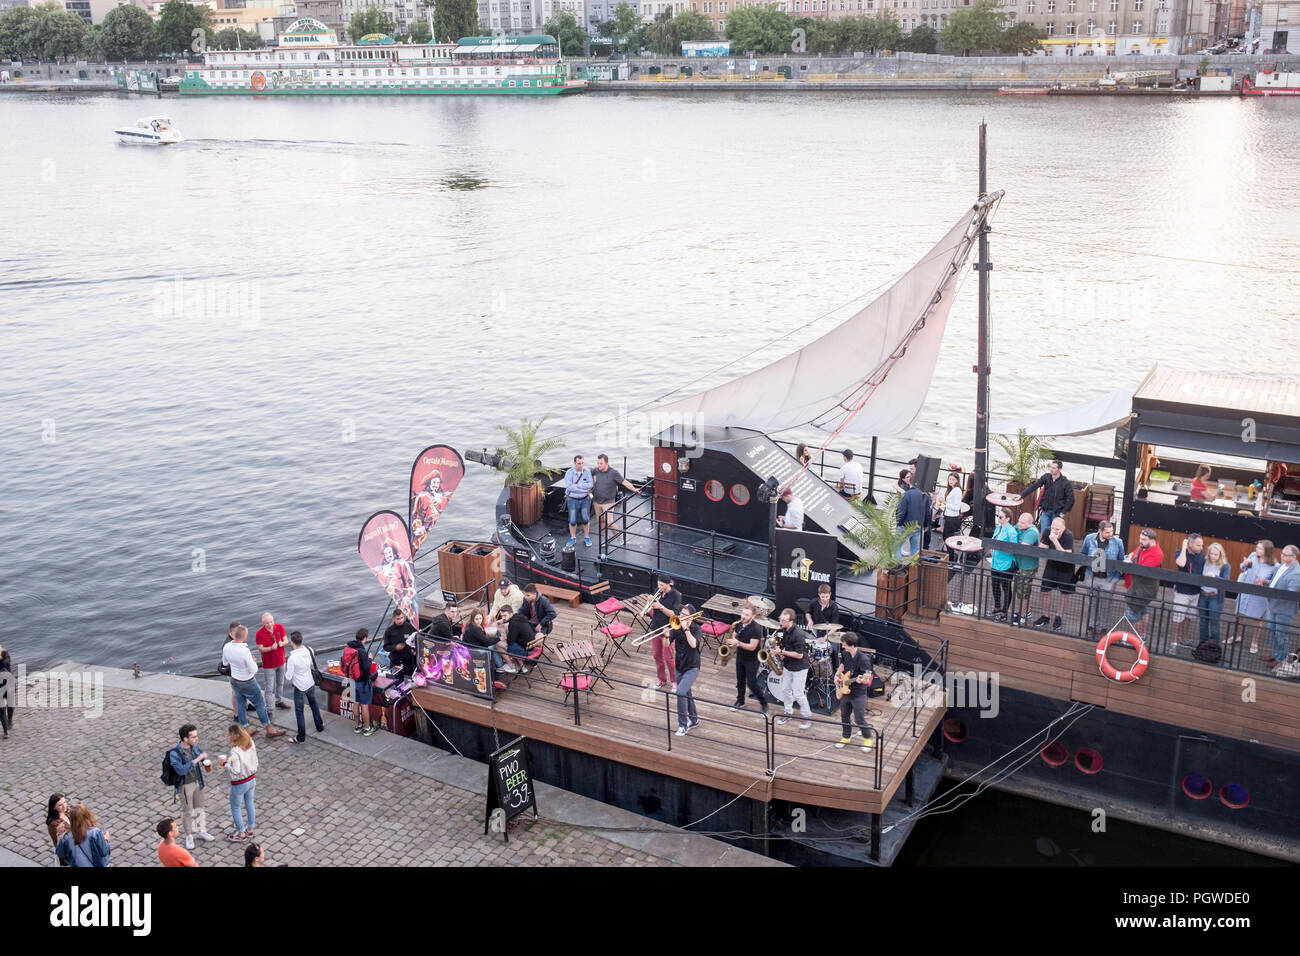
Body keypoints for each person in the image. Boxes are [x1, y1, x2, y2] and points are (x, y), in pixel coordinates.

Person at [222, 626, 285, 738]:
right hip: (247, 681)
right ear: (245, 636)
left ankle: (246, 729)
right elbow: (253, 670)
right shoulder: (244, 650)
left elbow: (225, 663)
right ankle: (269, 729)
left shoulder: (227, 647)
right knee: (260, 703)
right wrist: (253, 661)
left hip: (234, 680)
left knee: (241, 704)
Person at [1079, 519, 1126, 637]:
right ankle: (1091, 626)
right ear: (1100, 531)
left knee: (1106, 605)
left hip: (1109, 579)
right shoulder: (1089, 538)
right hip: (1091, 576)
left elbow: (1121, 561)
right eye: (1108, 532)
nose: (1111, 534)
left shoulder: (1118, 542)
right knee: (1091, 604)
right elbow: (1083, 554)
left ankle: (1103, 628)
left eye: (1112, 532)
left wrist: (1115, 580)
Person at [170, 724, 212, 848]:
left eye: (196, 736)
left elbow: (200, 755)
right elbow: (181, 770)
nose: (196, 739)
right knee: (188, 811)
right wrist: (196, 760)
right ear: (185, 739)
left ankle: (201, 831)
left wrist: (205, 762)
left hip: (197, 782)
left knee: (199, 808)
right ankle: (189, 836)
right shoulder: (175, 753)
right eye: (193, 737)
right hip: (184, 786)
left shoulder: (194, 746)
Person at [834, 632, 875, 752]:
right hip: (845, 690)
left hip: (858, 693)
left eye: (844, 645)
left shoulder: (863, 659)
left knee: (859, 718)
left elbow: (867, 679)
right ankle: (846, 737)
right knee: (844, 715)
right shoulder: (846, 653)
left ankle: (868, 739)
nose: (842, 646)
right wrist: (836, 675)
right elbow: (842, 666)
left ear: (852, 645)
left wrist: (861, 680)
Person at [1234, 540, 1277, 653]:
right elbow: (1242, 568)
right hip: (1245, 592)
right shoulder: (1253, 555)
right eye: (1257, 547)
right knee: (1239, 615)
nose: (1257, 550)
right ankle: (1237, 636)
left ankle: (1254, 642)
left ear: (1267, 551)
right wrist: (1245, 564)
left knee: (1257, 620)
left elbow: (1274, 582)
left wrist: (1264, 581)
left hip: (1259, 597)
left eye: (1260, 548)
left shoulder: (1274, 565)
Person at [772, 608, 812, 729]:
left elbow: (799, 655)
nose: (780, 620)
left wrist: (782, 651)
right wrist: (777, 651)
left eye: (782, 619)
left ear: (790, 620)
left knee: (798, 693)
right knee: (785, 689)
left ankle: (807, 716)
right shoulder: (785, 630)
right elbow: (785, 648)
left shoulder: (798, 634)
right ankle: (788, 712)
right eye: (780, 618)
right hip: (789, 665)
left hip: (800, 667)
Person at [726, 604, 768, 715]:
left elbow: (752, 647)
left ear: (753, 616)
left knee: (751, 683)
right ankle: (740, 701)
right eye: (743, 613)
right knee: (740, 680)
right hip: (740, 656)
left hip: (752, 659)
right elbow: (734, 636)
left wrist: (738, 643)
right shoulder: (739, 624)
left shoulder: (756, 629)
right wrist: (731, 642)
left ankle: (764, 703)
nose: (743, 616)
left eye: (747, 615)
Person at [284, 631, 325, 744]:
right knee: (314, 704)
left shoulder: (292, 658)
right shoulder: (309, 650)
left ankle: (301, 737)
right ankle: (319, 726)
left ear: (292, 642)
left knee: (299, 712)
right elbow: (311, 663)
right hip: (310, 682)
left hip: (299, 687)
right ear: (302, 640)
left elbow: (288, 677)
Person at [1035, 516, 1075, 631]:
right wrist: (1046, 541)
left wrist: (1055, 540)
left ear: (1064, 528)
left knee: (1064, 594)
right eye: (1053, 528)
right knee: (1045, 591)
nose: (1055, 531)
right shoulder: (1048, 531)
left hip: (1066, 567)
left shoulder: (1068, 535)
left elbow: (1066, 555)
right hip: (1051, 565)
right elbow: (1043, 547)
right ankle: (1045, 616)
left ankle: (1059, 616)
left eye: (1058, 529)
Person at [668, 606, 702, 736]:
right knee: (687, 694)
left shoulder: (696, 629)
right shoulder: (676, 627)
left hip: (692, 667)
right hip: (680, 666)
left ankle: (683, 725)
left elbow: (693, 644)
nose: (681, 615)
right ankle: (694, 720)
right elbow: (666, 644)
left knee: (680, 692)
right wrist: (666, 637)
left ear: (691, 617)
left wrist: (685, 628)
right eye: (681, 613)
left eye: (685, 614)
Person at [1019, 459, 1076, 537]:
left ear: (1059, 469)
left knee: (1054, 535)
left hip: (1057, 513)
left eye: (1054, 468)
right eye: (1051, 467)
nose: (1051, 469)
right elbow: (1034, 486)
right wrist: (1021, 495)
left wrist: (1063, 512)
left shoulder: (1065, 482)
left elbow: (1071, 499)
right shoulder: (1046, 477)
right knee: (1044, 534)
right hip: (1046, 511)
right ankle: (1043, 548)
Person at [1265, 545, 1300, 668]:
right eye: (1282, 554)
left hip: (1284, 609)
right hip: (1273, 604)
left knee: (1281, 634)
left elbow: (1291, 593)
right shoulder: (1282, 566)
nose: (1282, 556)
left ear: (1294, 557)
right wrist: (1266, 583)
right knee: (1272, 630)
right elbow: (1276, 582)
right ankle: (1276, 654)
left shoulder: (1296, 573)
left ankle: (1281, 659)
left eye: (1285, 555)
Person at [592, 453, 641, 541]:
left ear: (606, 463)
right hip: (597, 501)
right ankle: (605, 537)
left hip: (608, 502)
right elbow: (589, 479)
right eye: (598, 463)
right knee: (601, 521)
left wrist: (634, 489)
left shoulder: (613, 473)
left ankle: (619, 538)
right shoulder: (595, 471)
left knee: (609, 522)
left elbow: (624, 482)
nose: (598, 465)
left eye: (601, 463)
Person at [1124, 529, 1164, 635]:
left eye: (1144, 539)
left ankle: (1139, 637)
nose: (1140, 541)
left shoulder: (1157, 553)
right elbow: (1133, 558)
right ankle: (1142, 636)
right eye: (1140, 538)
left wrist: (1130, 564)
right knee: (1143, 611)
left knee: (1133, 613)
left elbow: (1142, 570)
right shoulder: (1142, 547)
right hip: (1136, 586)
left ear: (1152, 540)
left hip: (1145, 589)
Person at [224, 724, 258, 841]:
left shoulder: (235, 751)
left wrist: (225, 764)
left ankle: (241, 832)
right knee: (249, 803)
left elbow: (236, 771)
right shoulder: (250, 743)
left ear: (235, 736)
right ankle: (250, 829)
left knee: (235, 807)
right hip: (251, 779)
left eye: (230, 734)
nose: (228, 736)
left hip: (240, 783)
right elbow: (255, 761)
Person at [647, 574, 681, 690]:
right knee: (657, 656)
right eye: (658, 584)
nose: (659, 587)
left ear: (668, 584)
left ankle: (674, 681)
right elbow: (653, 607)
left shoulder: (676, 595)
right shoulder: (657, 590)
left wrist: (660, 606)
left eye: (661, 585)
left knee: (669, 658)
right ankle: (661, 679)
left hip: (668, 630)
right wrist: (650, 602)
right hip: (655, 627)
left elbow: (674, 614)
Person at [1172, 534, 1206, 648]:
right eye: (1198, 545)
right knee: (1178, 617)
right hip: (1182, 592)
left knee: (1188, 617)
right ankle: (1174, 641)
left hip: (1196, 592)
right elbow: (1181, 563)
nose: (1201, 547)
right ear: (1190, 544)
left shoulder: (1201, 554)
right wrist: (1183, 547)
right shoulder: (1180, 552)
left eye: (1202, 545)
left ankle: (1184, 639)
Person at [344, 629, 378, 736]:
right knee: (364, 705)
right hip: (363, 682)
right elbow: (367, 669)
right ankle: (367, 728)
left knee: (356, 703)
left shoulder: (349, 648)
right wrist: (370, 659)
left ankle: (358, 726)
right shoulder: (362, 652)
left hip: (353, 680)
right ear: (365, 638)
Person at [254, 612, 290, 711]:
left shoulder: (279, 627)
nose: (270, 624)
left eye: (271, 622)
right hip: (269, 665)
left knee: (280, 683)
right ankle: (269, 709)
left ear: (273, 621)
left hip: (281, 662)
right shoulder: (259, 633)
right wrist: (270, 648)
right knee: (269, 688)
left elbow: (286, 640)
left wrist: (282, 643)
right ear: (263, 624)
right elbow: (260, 649)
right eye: (267, 623)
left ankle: (278, 701)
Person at [1010, 512, 1041, 627]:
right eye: (1019, 521)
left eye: (1022, 522)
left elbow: (1021, 548)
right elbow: (1010, 532)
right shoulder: (1019, 526)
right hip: (1019, 564)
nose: (1019, 524)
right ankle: (1023, 611)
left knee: (1023, 590)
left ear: (1030, 523)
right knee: (1019, 589)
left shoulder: (1032, 532)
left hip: (1028, 566)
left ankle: (1022, 616)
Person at [1198, 542, 1232, 644]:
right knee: (1203, 621)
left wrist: (1215, 577)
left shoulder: (1225, 566)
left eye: (1216, 554)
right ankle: (1202, 643)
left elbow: (1226, 581)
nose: (1213, 556)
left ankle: (1214, 646)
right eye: (1211, 554)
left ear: (1220, 555)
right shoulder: (1204, 561)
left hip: (1215, 597)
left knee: (1214, 622)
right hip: (1203, 595)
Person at [989, 508, 1018, 621]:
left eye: (1000, 517)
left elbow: (1012, 548)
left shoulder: (1011, 532)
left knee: (1006, 588)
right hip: (995, 562)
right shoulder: (998, 528)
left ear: (1008, 519)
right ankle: (997, 607)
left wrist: (999, 548)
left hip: (1006, 564)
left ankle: (1005, 610)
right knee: (995, 586)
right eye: (998, 516)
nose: (998, 518)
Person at [563, 453, 595, 547]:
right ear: (574, 463)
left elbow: (590, 485)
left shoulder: (587, 471)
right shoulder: (569, 473)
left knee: (585, 519)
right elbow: (569, 487)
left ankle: (587, 537)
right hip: (572, 500)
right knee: (572, 520)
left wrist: (578, 486)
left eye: (582, 463)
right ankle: (573, 538)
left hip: (585, 499)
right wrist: (583, 490)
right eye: (579, 463)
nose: (581, 465)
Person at [896, 470, 927, 558]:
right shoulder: (925, 495)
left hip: (905, 525)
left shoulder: (907, 495)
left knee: (896, 546)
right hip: (918, 526)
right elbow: (927, 512)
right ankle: (914, 569)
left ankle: (897, 567)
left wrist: (899, 523)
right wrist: (925, 525)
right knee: (915, 549)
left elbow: (902, 512)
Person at [935, 470, 965, 560]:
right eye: (949, 479)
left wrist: (945, 502)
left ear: (957, 481)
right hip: (949, 517)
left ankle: (951, 557)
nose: (950, 481)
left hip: (952, 518)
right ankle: (950, 555)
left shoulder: (957, 491)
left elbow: (956, 507)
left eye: (953, 479)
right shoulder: (952, 489)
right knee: (946, 537)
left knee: (947, 538)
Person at [498, 605, 536, 669]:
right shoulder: (519, 617)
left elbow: (510, 642)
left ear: (511, 614)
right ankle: (521, 666)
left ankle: (510, 665)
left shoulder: (513, 623)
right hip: (531, 646)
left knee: (498, 644)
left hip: (526, 652)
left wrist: (503, 636)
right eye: (502, 616)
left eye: (505, 615)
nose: (503, 618)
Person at [382, 609, 417, 677]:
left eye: (401, 618)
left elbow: (415, 639)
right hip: (396, 661)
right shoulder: (389, 631)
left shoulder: (409, 626)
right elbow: (386, 647)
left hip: (409, 660)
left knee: (410, 678)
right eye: (398, 619)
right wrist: (395, 647)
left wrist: (414, 649)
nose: (400, 620)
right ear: (393, 619)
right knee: (395, 680)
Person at [46, 794, 70, 862]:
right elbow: (59, 843)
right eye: (60, 805)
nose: (64, 806)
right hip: (65, 853)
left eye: (65, 802)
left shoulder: (68, 814)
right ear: (54, 807)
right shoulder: (54, 824)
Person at [0, 643, 12, 738]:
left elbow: (6, 664)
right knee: (1, 709)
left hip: (8, 682)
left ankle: (10, 720)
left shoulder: (5, 654)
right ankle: (5, 731)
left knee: (10, 704)